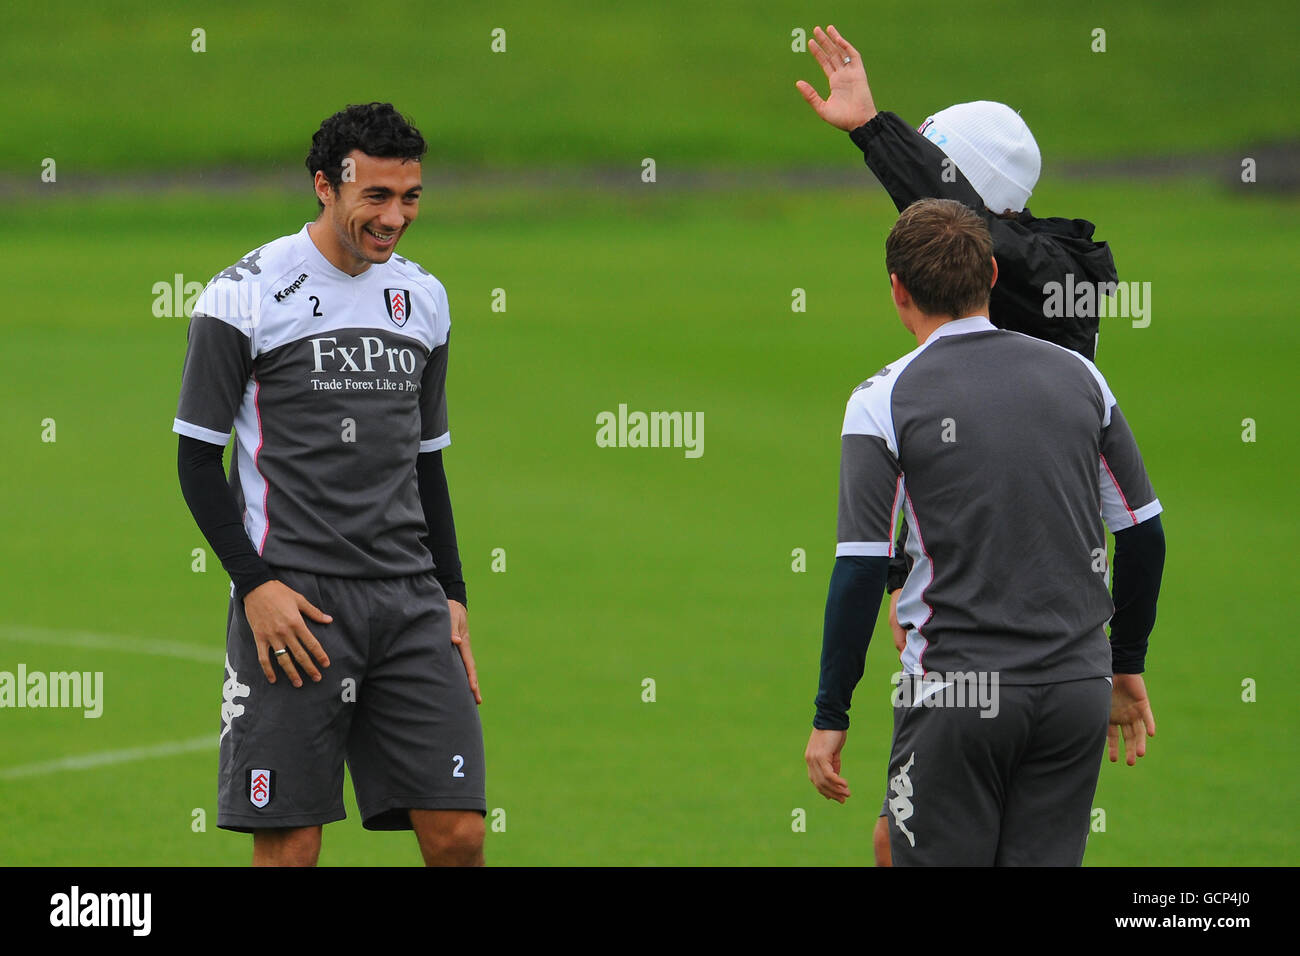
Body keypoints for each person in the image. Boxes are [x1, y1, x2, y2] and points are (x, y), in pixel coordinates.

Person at [797, 24, 1126, 863]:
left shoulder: (1048, 283)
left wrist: (875, 131)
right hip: (1010, 628)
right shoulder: (1025, 276)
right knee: (892, 840)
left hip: (1001, 641)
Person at [174, 102, 486, 866]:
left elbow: (427, 461)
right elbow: (196, 460)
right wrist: (255, 586)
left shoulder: (425, 300)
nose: (395, 217)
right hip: (296, 602)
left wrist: (453, 595)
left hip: (409, 598)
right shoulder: (242, 294)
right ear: (325, 185)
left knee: (460, 836)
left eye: (409, 196)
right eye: (375, 197)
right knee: (291, 849)